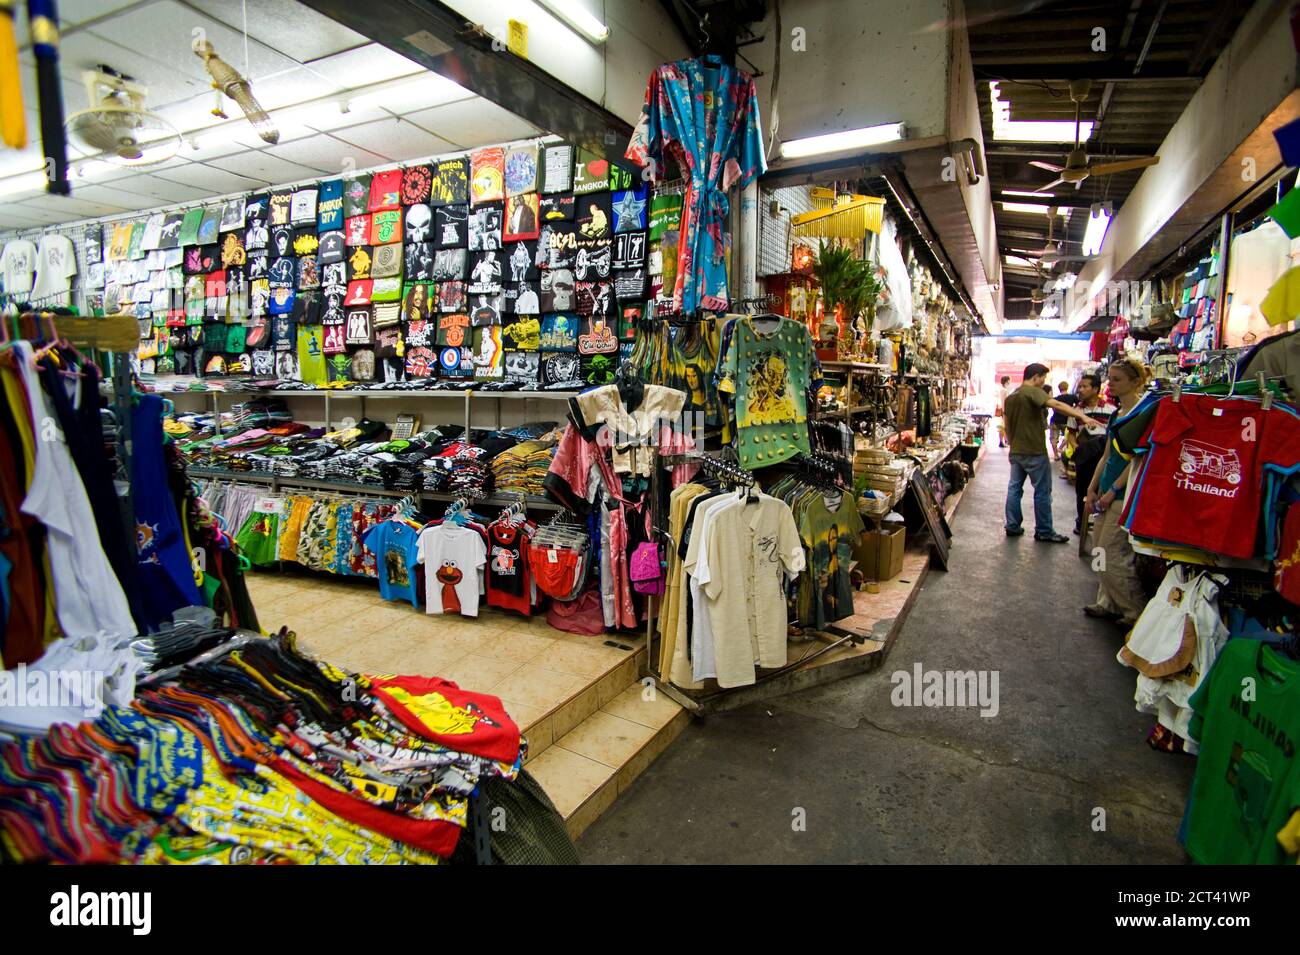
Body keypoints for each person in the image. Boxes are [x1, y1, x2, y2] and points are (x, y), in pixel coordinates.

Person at [1084, 357, 1150, 627]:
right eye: (1109, 379)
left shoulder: (1142, 414)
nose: (1110, 384)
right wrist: (1092, 487)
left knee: (1111, 552)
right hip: (1106, 490)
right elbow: (1107, 456)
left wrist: (1112, 490)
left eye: (1117, 379)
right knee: (1099, 550)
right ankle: (1107, 601)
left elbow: (1137, 460)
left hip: (1124, 493)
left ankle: (1135, 610)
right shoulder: (1116, 414)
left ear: (1135, 381)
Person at [1004, 363, 1101, 542]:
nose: (1043, 382)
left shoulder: (1012, 396)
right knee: (1042, 491)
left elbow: (1007, 424)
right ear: (1036, 376)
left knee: (1014, 489)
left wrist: (1012, 444)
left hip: (1017, 450)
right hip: (1034, 450)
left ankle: (1012, 525)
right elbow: (1055, 404)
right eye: (1043, 378)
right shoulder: (1032, 392)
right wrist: (1082, 416)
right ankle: (1044, 530)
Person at [1066, 372, 1115, 534]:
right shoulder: (1076, 411)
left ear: (1095, 389)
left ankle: (1101, 522)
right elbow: (1071, 434)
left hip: (1104, 455)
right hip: (1084, 456)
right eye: (1079, 386)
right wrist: (1077, 448)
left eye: (1084, 386)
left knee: (1102, 488)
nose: (1080, 389)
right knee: (1082, 489)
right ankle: (1081, 521)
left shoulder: (1111, 410)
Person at [1050, 381, 1077, 461]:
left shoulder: (1056, 399)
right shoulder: (1073, 397)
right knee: (1068, 436)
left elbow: (1053, 409)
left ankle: (1056, 455)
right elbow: (1078, 406)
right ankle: (1061, 448)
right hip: (1067, 421)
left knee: (1053, 439)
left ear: (1059, 388)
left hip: (1055, 420)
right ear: (1067, 387)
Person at [995, 375, 1012, 447]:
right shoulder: (1004, 390)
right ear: (1007, 381)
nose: (1010, 382)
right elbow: (1007, 401)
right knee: (1003, 426)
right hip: (1005, 410)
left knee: (1002, 426)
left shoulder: (1002, 390)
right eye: (1009, 380)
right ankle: (1004, 441)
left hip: (1003, 409)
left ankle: (1003, 441)